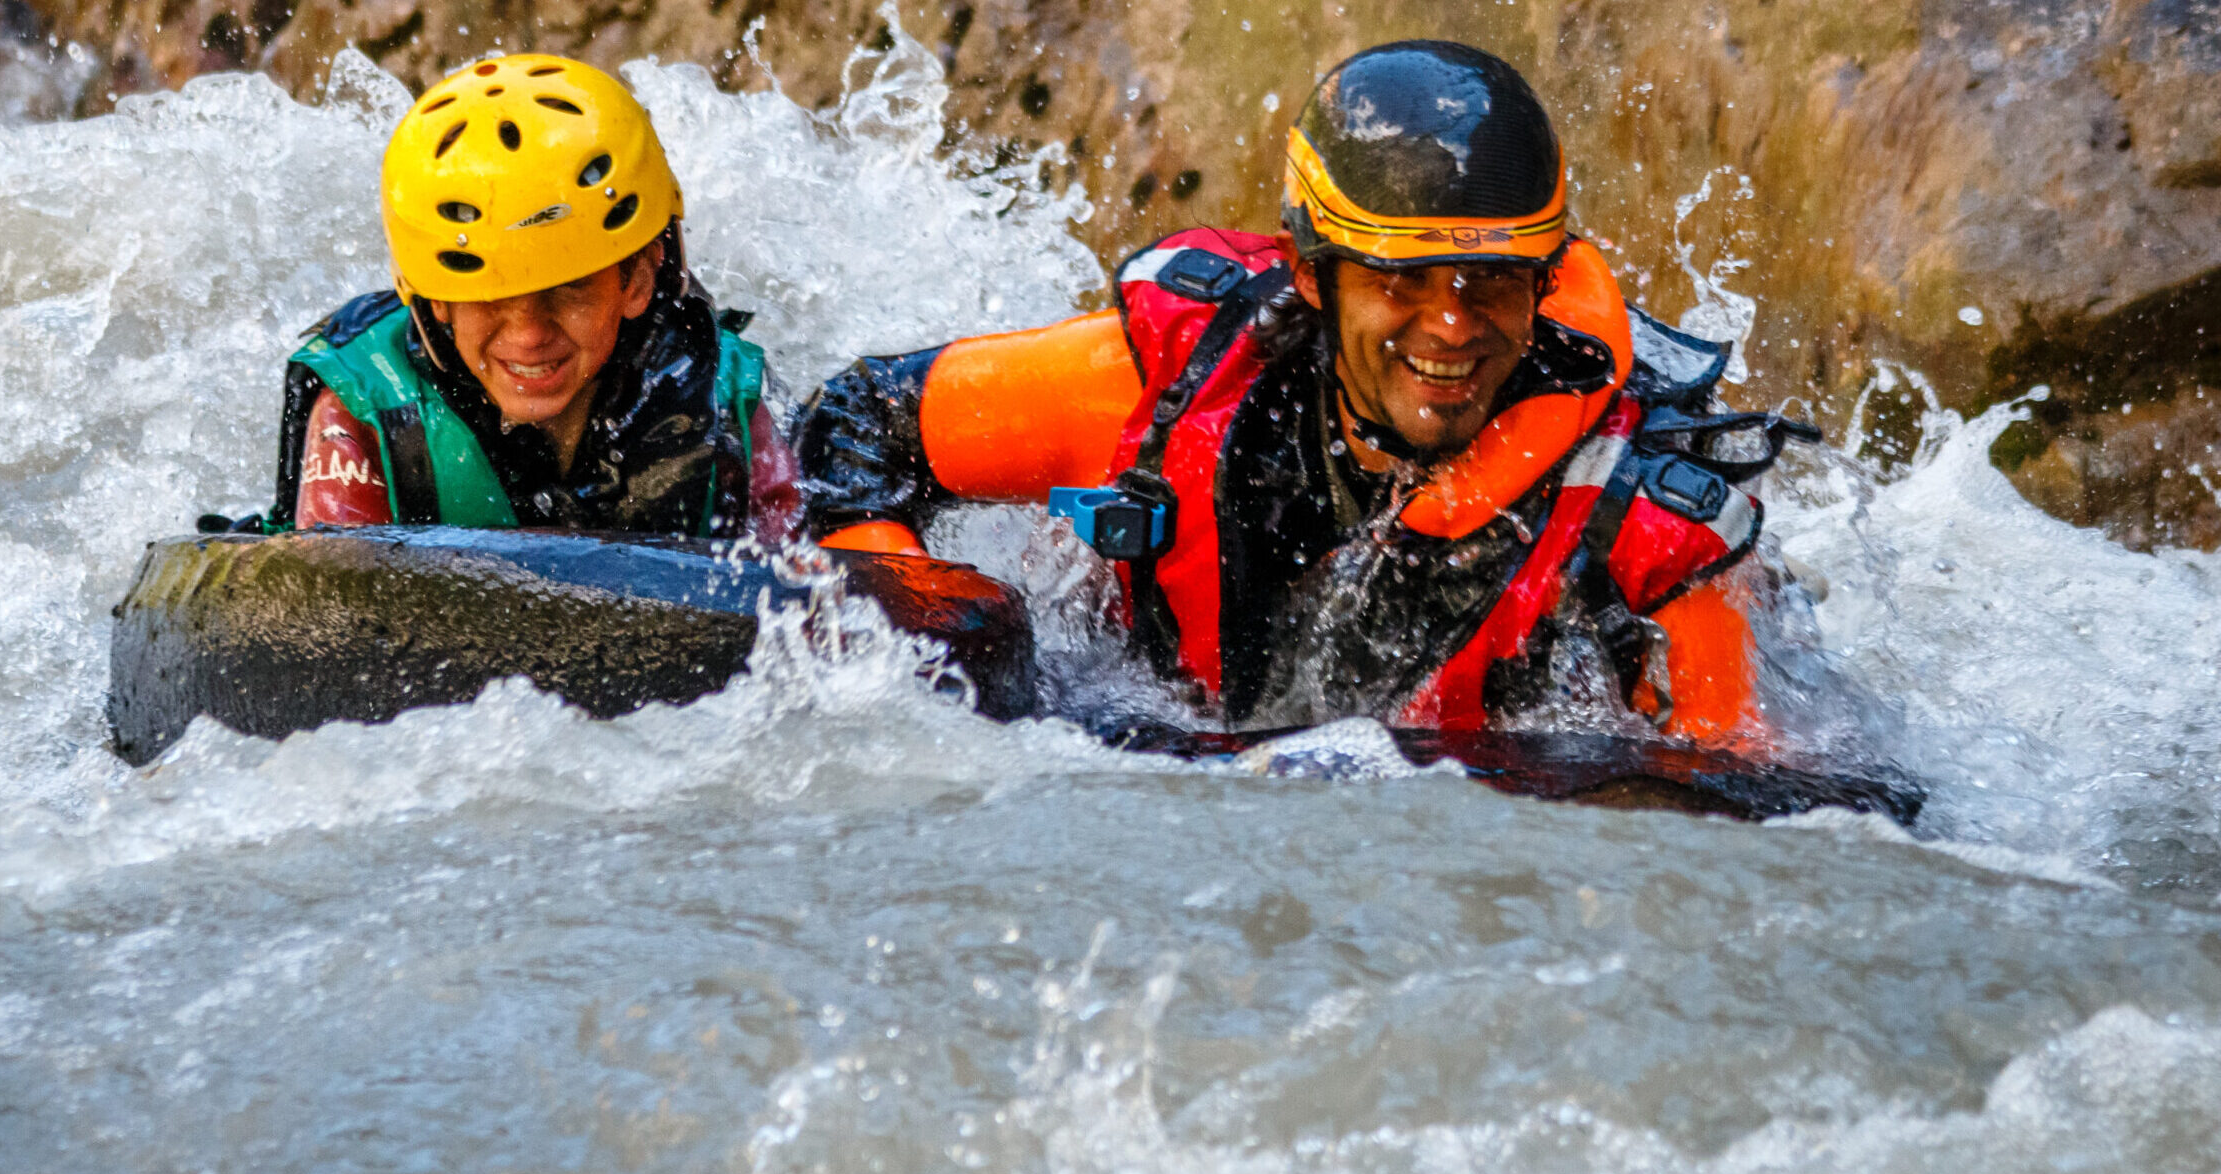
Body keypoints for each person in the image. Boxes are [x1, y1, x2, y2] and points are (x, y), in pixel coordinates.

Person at [792, 40, 1815, 743]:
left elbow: (1731, 822)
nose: (1451, 325)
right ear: (1315, 273)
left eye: (1491, 282)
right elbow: (852, 428)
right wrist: (927, 644)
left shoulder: (1645, 535)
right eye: (1400, 278)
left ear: (1545, 282)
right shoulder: (1164, 385)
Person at [260, 55, 795, 540]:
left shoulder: (727, 409)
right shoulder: (364, 417)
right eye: (488, 298)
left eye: (569, 289)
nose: (529, 335)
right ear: (436, 303)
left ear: (636, 280)